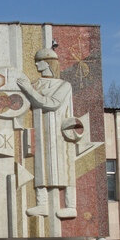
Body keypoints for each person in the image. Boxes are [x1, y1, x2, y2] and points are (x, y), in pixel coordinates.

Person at [16, 47, 80, 220]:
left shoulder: (64, 85)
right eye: (36, 61)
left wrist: (27, 89)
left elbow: (50, 103)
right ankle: (42, 204)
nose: (36, 64)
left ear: (50, 63)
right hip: (40, 129)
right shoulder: (36, 84)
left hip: (59, 131)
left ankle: (70, 206)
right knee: (41, 166)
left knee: (65, 168)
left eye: (40, 61)